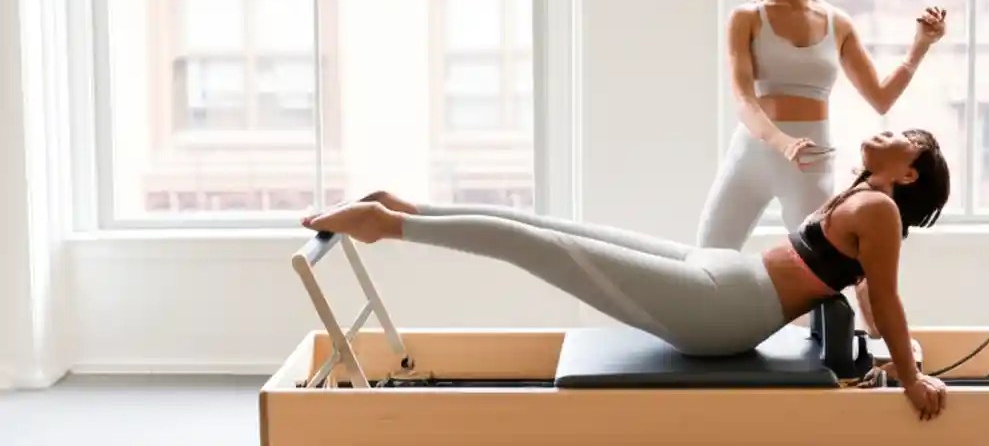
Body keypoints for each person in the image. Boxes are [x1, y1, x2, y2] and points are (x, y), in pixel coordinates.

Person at [302, 128, 951, 420]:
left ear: (910, 172)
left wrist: (912, 375)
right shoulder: (862, 198)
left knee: (535, 246)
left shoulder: (880, 211)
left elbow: (884, 298)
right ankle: (409, 210)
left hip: (723, 311)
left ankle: (387, 225)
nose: (887, 131)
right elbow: (868, 290)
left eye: (904, 139)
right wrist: (897, 357)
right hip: (724, 277)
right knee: (548, 227)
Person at [696, 0, 946, 249]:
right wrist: (782, 142)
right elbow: (744, 100)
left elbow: (881, 98)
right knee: (711, 250)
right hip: (753, 153)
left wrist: (920, 46)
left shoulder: (837, 24)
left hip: (811, 160)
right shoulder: (746, 18)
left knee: (818, 263)